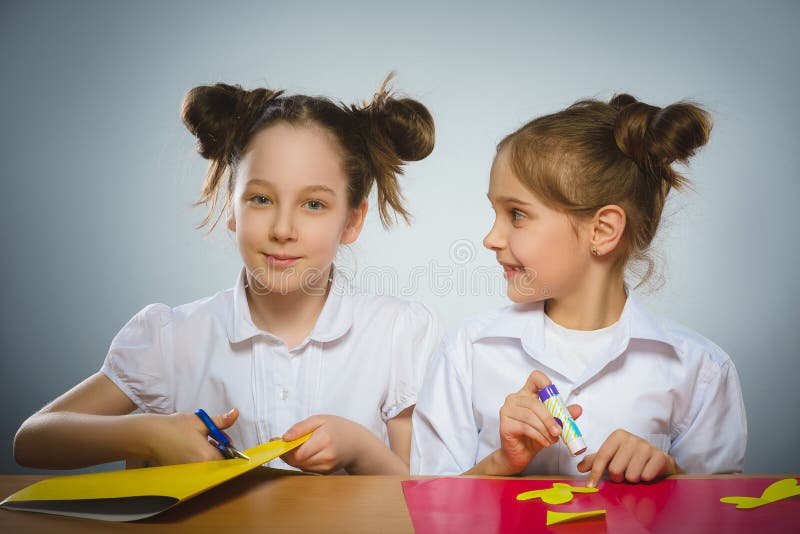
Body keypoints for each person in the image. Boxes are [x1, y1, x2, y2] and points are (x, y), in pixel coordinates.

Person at [14, 75, 441, 475]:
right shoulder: (174, 338)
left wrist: (361, 448)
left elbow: (416, 495)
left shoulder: (396, 334)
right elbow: (32, 440)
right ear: (231, 208)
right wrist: (147, 433)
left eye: (314, 204)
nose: (283, 229)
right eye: (260, 199)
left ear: (352, 220)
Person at [411, 94, 746, 487]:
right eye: (496, 213)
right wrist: (499, 463)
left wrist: (672, 475)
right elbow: (426, 503)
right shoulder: (467, 353)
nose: (490, 238)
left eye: (517, 214)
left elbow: (723, 509)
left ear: (602, 230)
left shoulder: (700, 370)